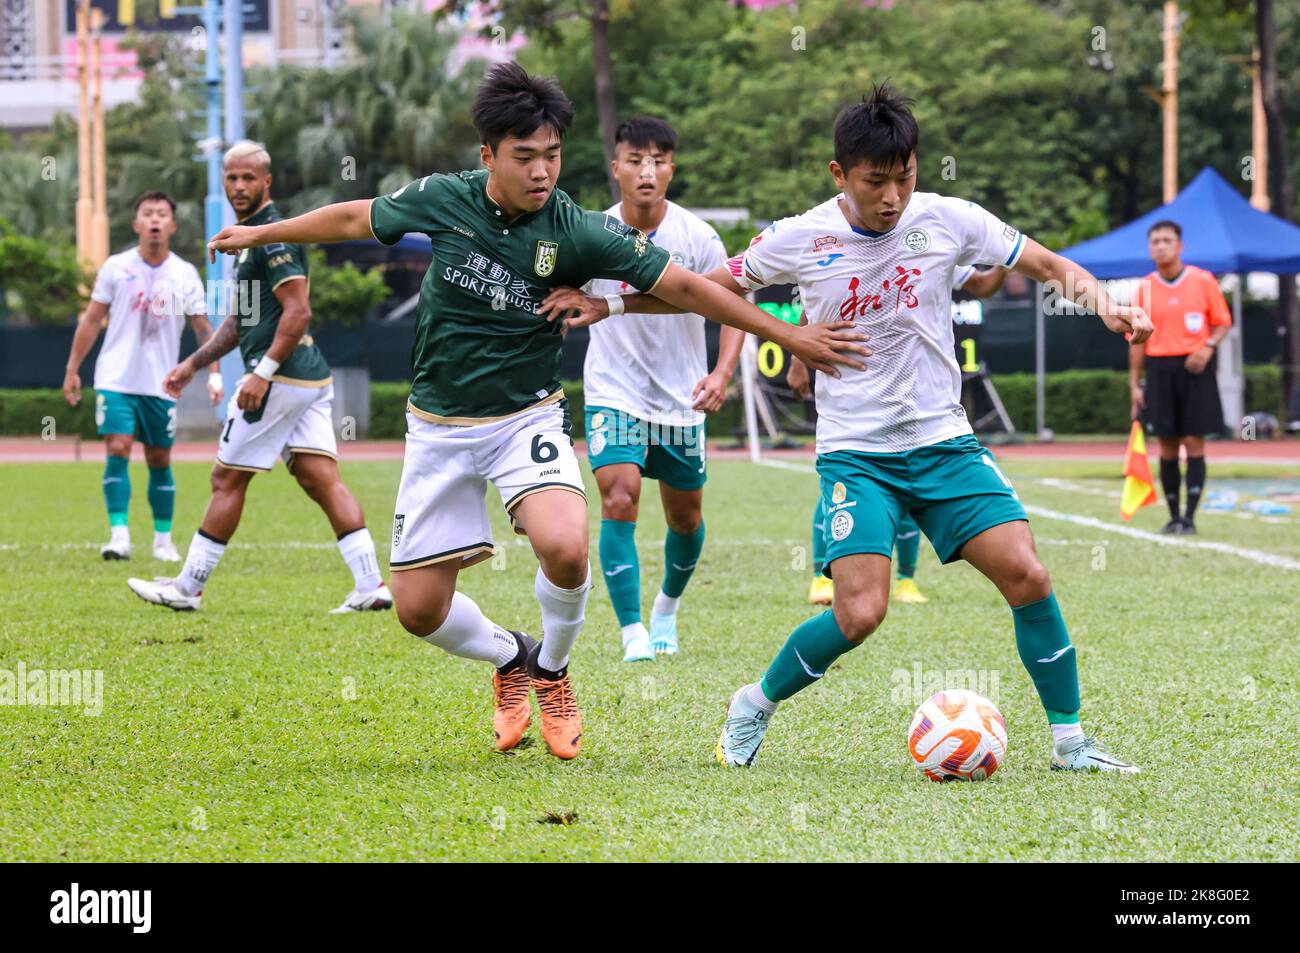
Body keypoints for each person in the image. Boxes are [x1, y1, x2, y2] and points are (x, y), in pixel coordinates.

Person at [205, 64, 866, 761]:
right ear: (488, 155)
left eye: (552, 155)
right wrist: (261, 232)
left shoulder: (576, 231)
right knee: (418, 610)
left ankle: (551, 671)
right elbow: (353, 215)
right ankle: (511, 654)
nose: (542, 170)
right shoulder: (443, 199)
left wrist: (787, 334)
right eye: (525, 157)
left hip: (526, 419)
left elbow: (687, 286)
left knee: (566, 543)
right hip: (437, 428)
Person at [541, 83, 1152, 773]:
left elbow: (1043, 263)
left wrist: (1107, 303)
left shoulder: (949, 219)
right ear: (840, 174)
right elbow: (705, 286)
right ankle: (754, 704)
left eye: (904, 177)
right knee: (861, 612)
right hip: (857, 456)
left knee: (1029, 574)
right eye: (875, 181)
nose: (892, 196)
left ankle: (1071, 744)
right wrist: (610, 304)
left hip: (944, 442)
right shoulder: (798, 238)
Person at [127, 141, 391, 617]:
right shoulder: (250, 236)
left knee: (226, 477)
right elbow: (240, 321)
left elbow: (299, 310)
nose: (240, 186)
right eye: (232, 178)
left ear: (267, 182)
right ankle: (371, 583)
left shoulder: (274, 236)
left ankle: (188, 587)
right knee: (320, 478)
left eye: (249, 178)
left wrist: (262, 373)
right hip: (307, 379)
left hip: (281, 379)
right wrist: (192, 364)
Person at [583, 117, 743, 662]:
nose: (646, 171)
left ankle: (666, 611)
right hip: (613, 391)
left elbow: (736, 307)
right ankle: (631, 634)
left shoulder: (698, 238)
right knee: (619, 497)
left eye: (658, 160)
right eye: (635, 160)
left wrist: (721, 374)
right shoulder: (591, 233)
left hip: (681, 399)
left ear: (672, 168)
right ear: (617, 169)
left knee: (685, 518)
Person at [793, 264, 1007, 607]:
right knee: (839, 491)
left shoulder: (929, 235)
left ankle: (906, 580)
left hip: (914, 404)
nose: (889, 206)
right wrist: (795, 360)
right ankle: (822, 576)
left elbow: (981, 282)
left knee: (909, 498)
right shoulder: (835, 240)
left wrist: (1007, 256)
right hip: (855, 406)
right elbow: (815, 301)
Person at [63, 191, 223, 562]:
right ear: (136, 224)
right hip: (115, 377)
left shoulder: (184, 273)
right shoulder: (116, 267)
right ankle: (119, 535)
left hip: (162, 381)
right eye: (147, 214)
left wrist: (213, 373)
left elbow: (203, 328)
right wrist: (72, 369)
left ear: (172, 225)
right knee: (117, 447)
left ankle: (163, 540)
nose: (154, 220)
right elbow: (90, 320)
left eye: (162, 214)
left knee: (159, 458)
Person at [1129, 219, 1232, 535]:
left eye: (1167, 240)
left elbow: (1223, 323)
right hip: (1159, 370)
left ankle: (1190, 518)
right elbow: (1135, 339)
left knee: (1193, 440)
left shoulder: (1203, 281)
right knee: (1167, 444)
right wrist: (1134, 383)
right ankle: (1173, 516)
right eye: (1155, 241)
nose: (1161, 246)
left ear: (1180, 245)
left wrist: (1208, 347)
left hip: (1195, 369)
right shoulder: (1144, 287)